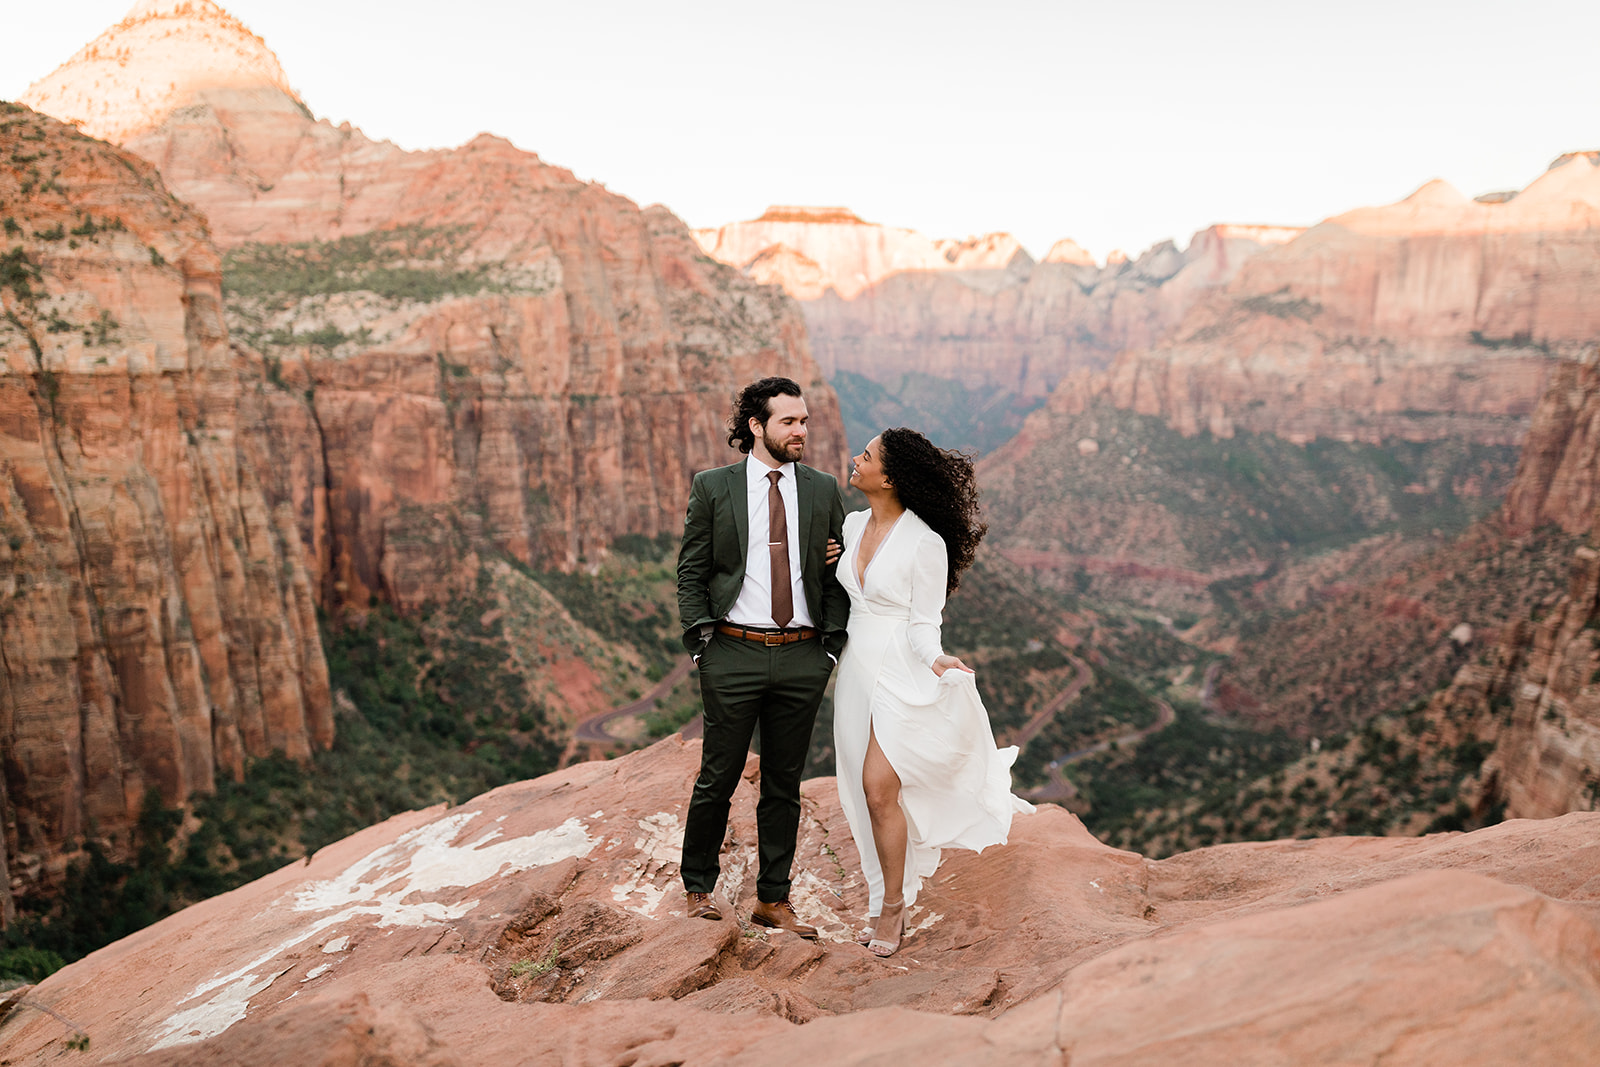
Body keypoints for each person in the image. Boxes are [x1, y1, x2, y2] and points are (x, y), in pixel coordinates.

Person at [835, 427, 1033, 957]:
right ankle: (879, 899)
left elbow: (925, 624)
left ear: (891, 477)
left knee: (879, 787)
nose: (856, 458)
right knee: (859, 791)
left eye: (867, 455)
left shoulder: (926, 542)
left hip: (900, 670)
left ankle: (895, 907)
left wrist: (937, 659)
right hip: (855, 670)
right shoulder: (852, 525)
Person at [677, 377, 849, 939]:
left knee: (784, 783)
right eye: (789, 422)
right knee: (717, 776)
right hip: (733, 651)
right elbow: (692, 570)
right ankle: (698, 887)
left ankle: (773, 900)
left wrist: (832, 641)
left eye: (804, 420)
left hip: (803, 657)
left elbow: (839, 574)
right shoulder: (713, 486)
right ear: (756, 426)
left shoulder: (823, 489)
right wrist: (702, 640)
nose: (802, 431)